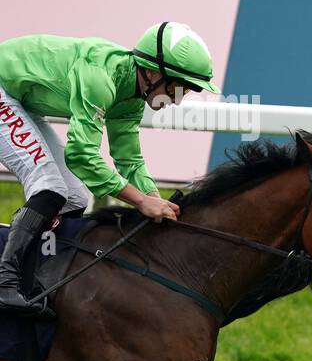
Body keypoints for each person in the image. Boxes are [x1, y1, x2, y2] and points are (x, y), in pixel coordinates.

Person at [0, 22, 221, 316]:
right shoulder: (100, 78)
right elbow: (81, 155)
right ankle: (4, 282)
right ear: (153, 72)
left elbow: (129, 160)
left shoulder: (132, 95)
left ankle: (32, 279)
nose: (178, 99)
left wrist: (154, 197)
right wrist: (141, 202)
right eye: (177, 87)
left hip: (19, 101)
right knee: (49, 186)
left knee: (74, 198)